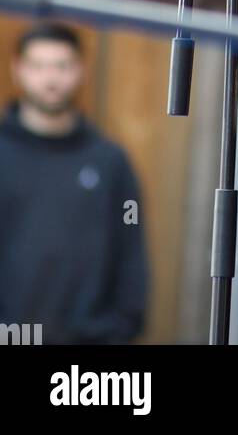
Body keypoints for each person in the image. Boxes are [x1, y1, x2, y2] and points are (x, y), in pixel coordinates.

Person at [0, 22, 149, 345]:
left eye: (61, 66)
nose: (50, 79)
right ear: (18, 70)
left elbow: (130, 254)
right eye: (38, 66)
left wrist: (118, 329)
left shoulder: (110, 162)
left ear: (81, 69)